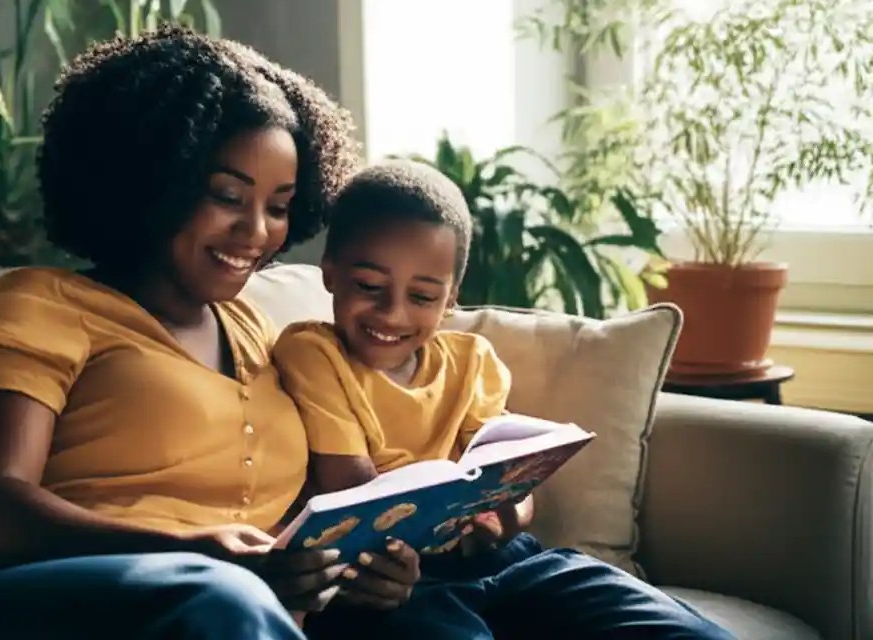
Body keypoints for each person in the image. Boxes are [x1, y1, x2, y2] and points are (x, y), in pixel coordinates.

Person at [0, 26, 393, 639]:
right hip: (35, 602)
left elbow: (287, 518)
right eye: (228, 196)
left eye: (279, 206)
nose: (255, 231)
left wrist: (350, 567)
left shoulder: (254, 329)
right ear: (150, 182)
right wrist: (195, 550)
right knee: (220, 598)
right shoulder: (41, 305)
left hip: (231, 609)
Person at [272, 160, 734, 639]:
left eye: (423, 297)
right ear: (330, 272)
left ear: (451, 297)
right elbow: (355, 495)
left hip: (512, 562)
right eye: (370, 287)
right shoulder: (314, 352)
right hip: (398, 586)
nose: (392, 313)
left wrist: (504, 517)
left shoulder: (473, 360)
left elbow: (506, 484)